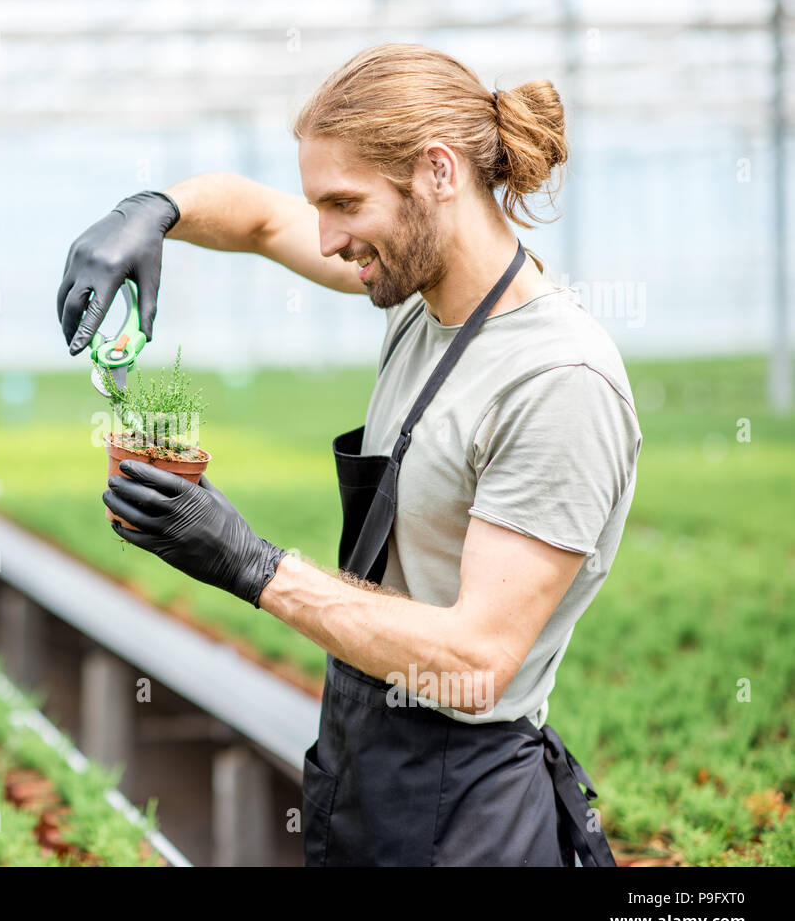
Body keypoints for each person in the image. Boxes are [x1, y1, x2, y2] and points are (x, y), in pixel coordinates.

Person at [57, 43, 641, 866]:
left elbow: (474, 662)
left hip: (465, 808)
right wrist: (150, 210)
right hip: (362, 761)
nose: (327, 240)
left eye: (343, 203)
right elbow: (259, 218)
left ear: (439, 171)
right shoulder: (424, 296)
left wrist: (249, 561)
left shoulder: (557, 381)